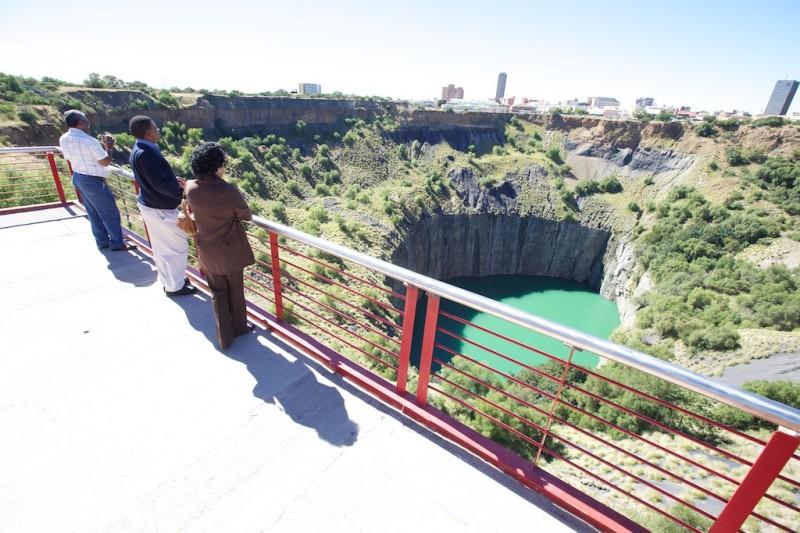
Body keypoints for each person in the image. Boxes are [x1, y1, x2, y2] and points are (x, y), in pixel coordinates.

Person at [185, 142, 255, 349]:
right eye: (223, 164)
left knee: (218, 294)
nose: (224, 168)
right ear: (216, 166)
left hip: (207, 251)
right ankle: (239, 327)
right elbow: (246, 214)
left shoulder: (190, 187)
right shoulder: (227, 190)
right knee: (235, 291)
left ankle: (224, 336)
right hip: (229, 251)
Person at [129, 115, 196, 297]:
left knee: (162, 249)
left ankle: (171, 281)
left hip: (151, 205)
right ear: (148, 133)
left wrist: (172, 180)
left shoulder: (139, 149)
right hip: (160, 209)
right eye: (155, 128)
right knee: (176, 249)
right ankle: (175, 287)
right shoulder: (146, 154)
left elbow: (154, 179)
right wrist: (185, 194)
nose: (158, 131)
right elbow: (160, 185)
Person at [58, 110, 134, 251]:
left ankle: (102, 242)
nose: (89, 124)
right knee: (110, 212)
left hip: (78, 177)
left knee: (93, 213)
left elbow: (68, 157)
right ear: (80, 123)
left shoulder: (64, 138)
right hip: (93, 181)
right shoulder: (89, 141)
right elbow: (105, 162)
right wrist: (109, 148)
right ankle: (117, 243)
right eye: (87, 121)